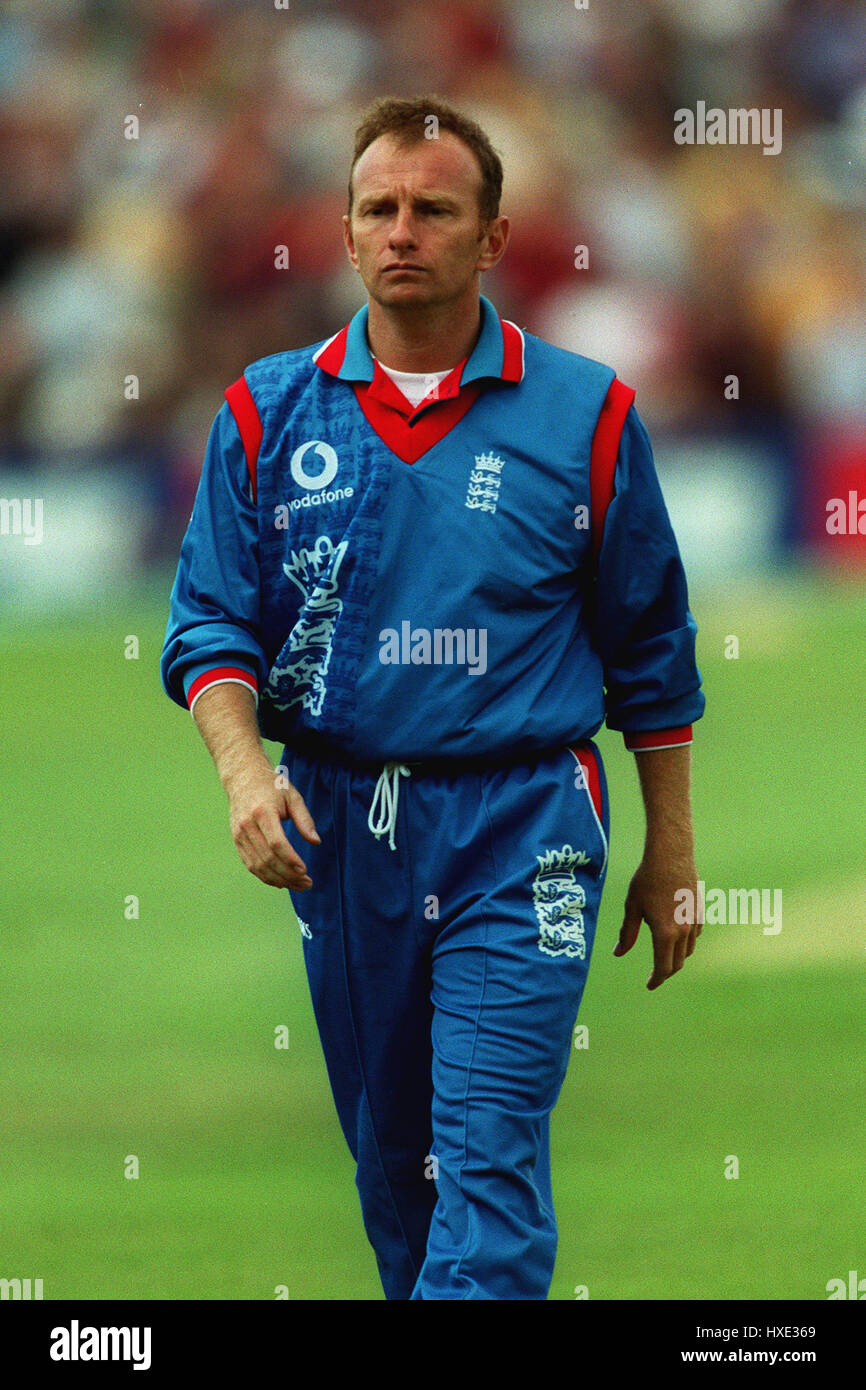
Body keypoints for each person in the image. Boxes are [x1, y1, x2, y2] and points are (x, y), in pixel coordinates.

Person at [160, 95, 705, 1301]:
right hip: (344, 831)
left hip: (527, 824)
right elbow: (206, 625)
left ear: (492, 238)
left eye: (433, 209)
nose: (402, 230)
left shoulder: (588, 415)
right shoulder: (264, 412)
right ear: (347, 233)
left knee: (487, 1165)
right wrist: (248, 776)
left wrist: (668, 845)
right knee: (397, 1191)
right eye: (378, 208)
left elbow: (651, 651)